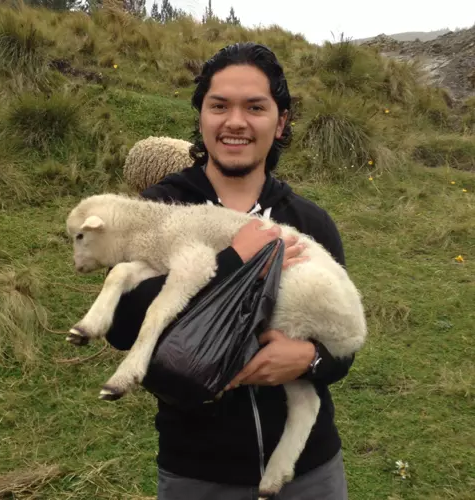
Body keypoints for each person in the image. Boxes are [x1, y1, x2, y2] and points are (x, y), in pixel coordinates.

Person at [105, 42, 354, 500]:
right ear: (201, 116)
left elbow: (345, 343)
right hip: (198, 474)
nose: (235, 122)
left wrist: (309, 359)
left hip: (311, 474)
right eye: (219, 105)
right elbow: (121, 329)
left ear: (280, 123)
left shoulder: (308, 222)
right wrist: (233, 262)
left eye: (255, 107)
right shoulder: (161, 208)